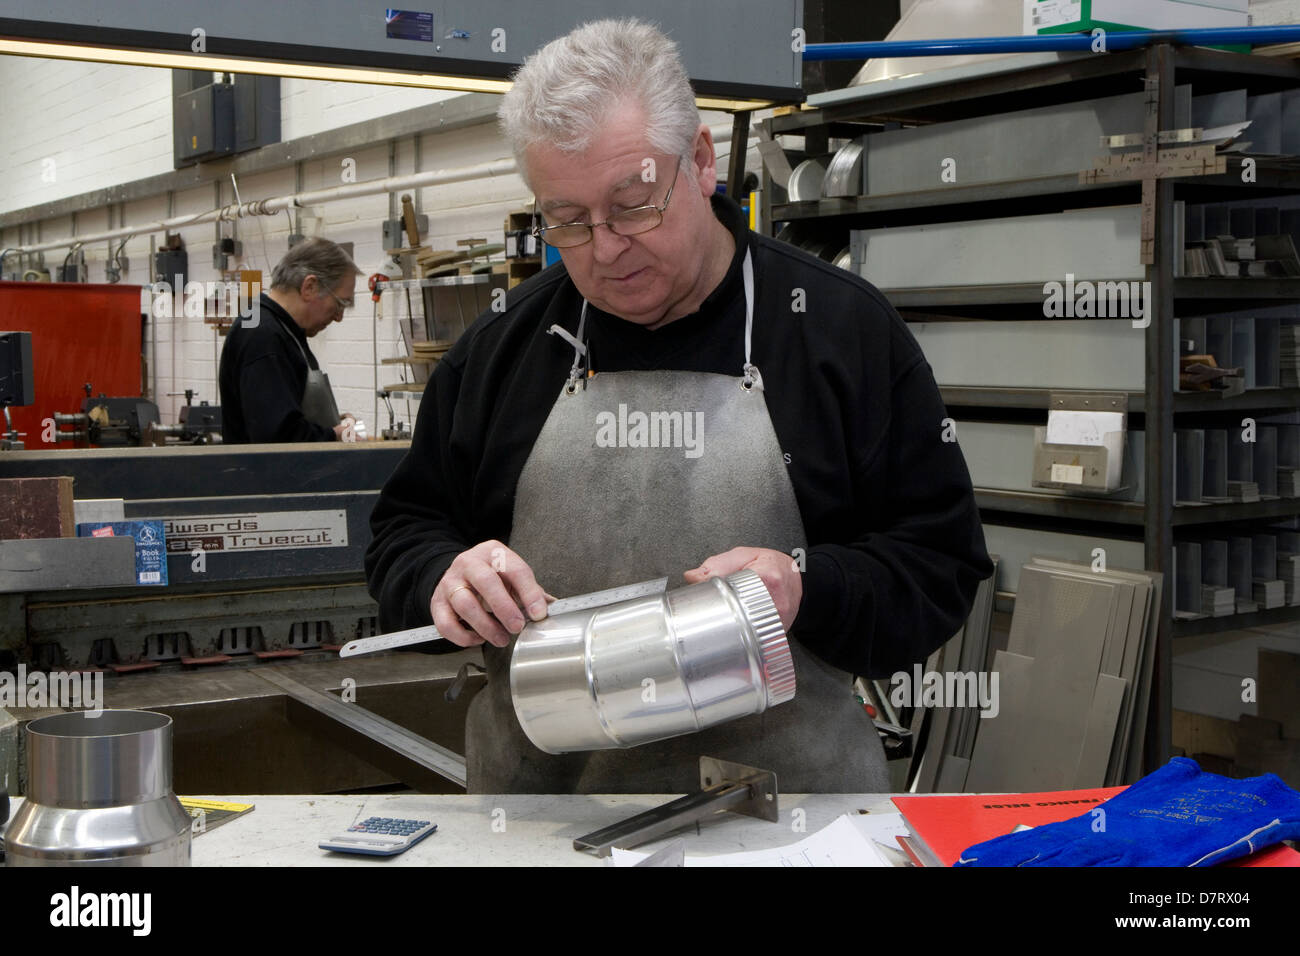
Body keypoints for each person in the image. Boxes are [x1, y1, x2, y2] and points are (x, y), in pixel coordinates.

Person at [365, 18, 994, 793]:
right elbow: (404, 531)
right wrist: (441, 577)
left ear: (700, 161)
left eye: (633, 204)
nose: (604, 247)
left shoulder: (837, 332)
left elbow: (939, 564)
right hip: (542, 827)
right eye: (565, 219)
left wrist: (807, 586)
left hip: (783, 826)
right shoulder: (503, 350)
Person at [219, 237, 360, 443]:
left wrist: (332, 423)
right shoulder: (262, 335)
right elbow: (276, 438)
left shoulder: (283, 330)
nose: (339, 317)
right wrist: (336, 435)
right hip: (266, 475)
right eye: (340, 303)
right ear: (309, 287)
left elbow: (283, 415)